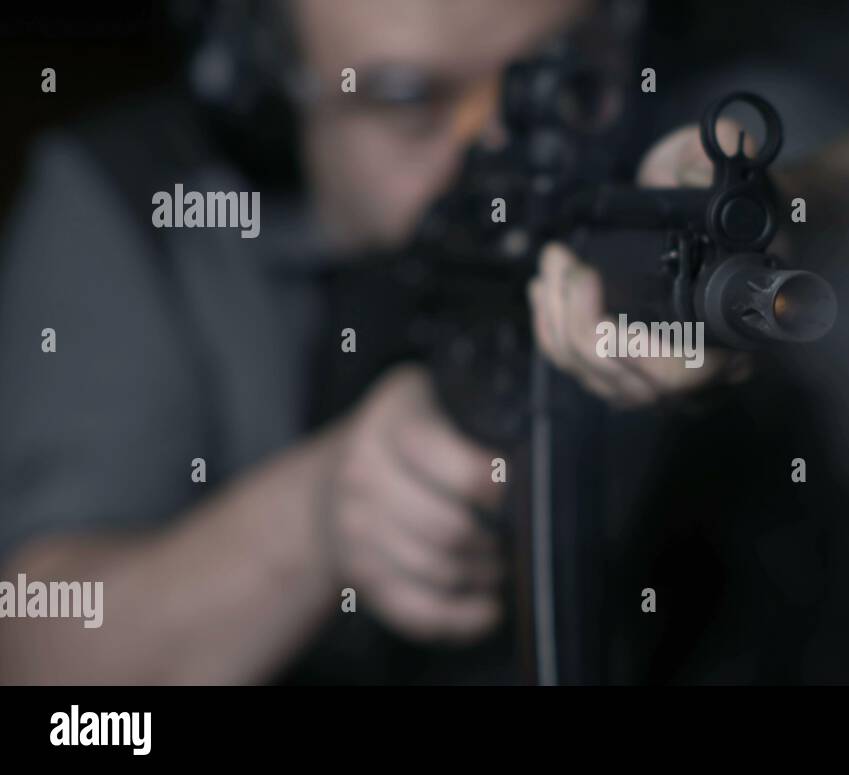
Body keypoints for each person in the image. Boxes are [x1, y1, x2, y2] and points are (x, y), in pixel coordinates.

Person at [0, 0, 755, 684]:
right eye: (409, 100)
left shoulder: (662, 111)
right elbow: (42, 653)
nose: (493, 144)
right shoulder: (134, 206)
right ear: (263, 85)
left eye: (556, 82)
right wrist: (317, 514)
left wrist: (750, 218)